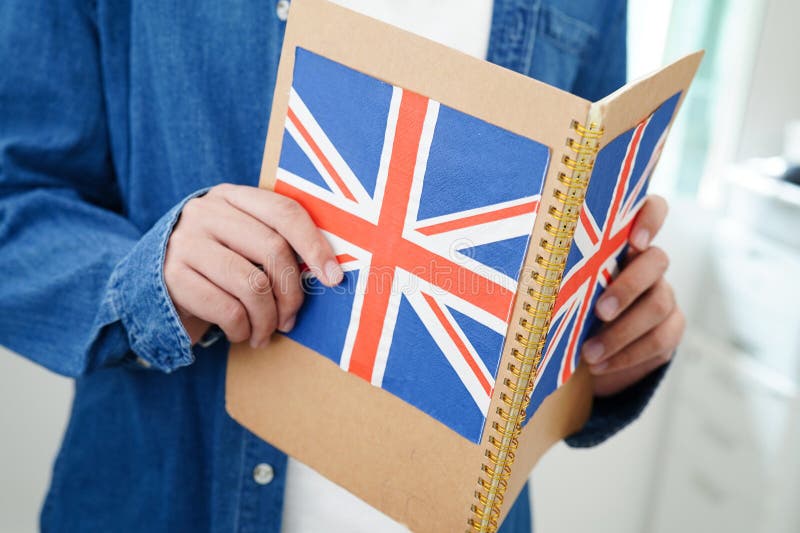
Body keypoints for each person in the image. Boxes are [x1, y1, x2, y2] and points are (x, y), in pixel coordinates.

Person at [0, 0, 684, 531]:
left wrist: (612, 339)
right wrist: (153, 274)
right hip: (162, 500)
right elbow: (16, 198)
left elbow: (572, 238)